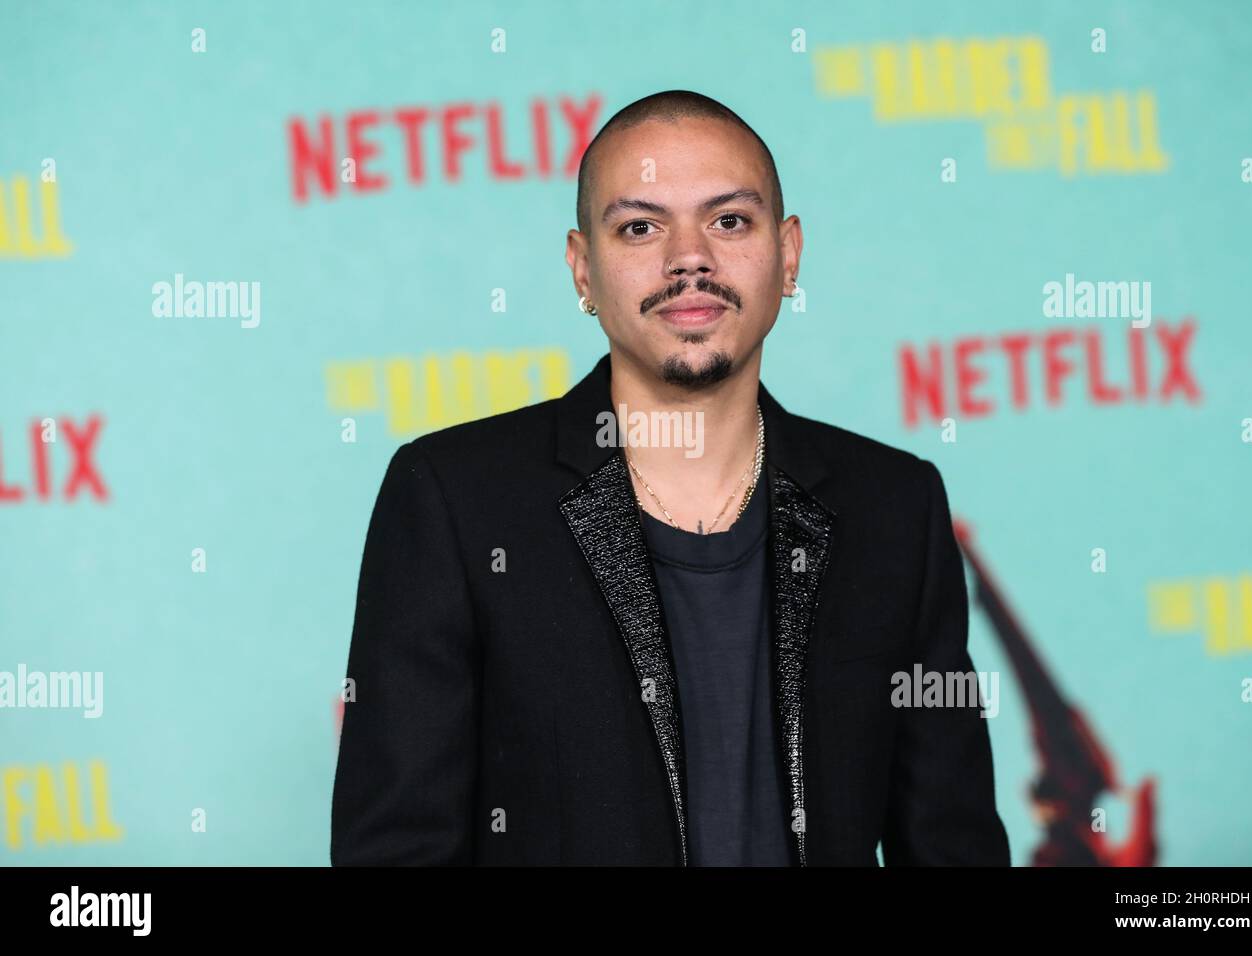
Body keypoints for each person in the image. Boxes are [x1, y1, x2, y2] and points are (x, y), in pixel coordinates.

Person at [330, 89, 1011, 866]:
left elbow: (952, 842)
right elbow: (395, 851)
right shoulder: (455, 499)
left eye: (729, 221)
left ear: (789, 255)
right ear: (583, 270)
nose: (690, 257)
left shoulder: (894, 506)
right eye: (640, 227)